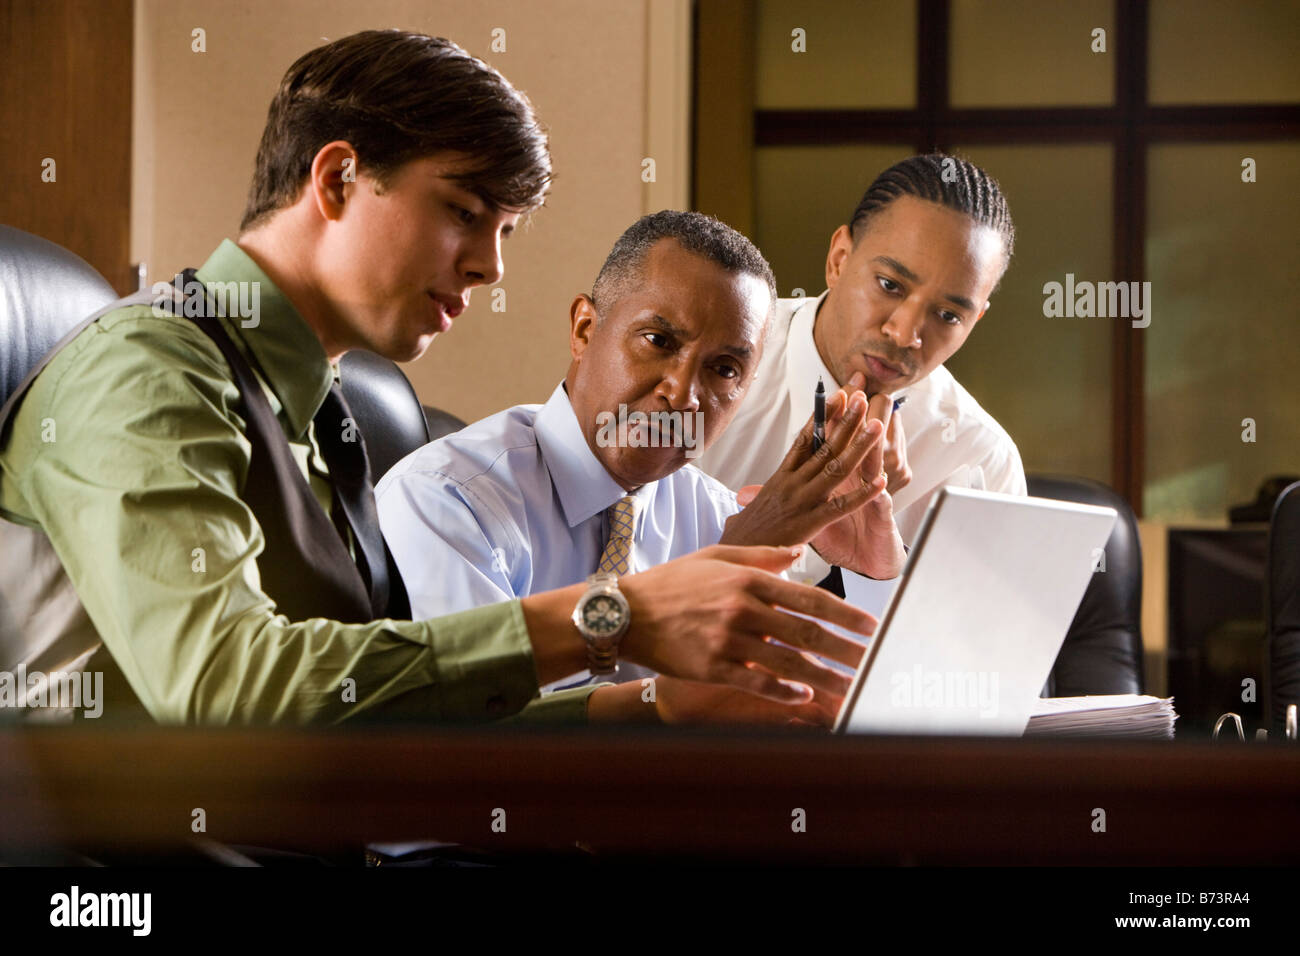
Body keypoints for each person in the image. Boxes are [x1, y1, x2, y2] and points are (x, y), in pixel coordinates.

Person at [0, 30, 874, 726]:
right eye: (464, 212)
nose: (491, 267)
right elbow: (226, 690)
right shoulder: (147, 370)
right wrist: (614, 617)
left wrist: (656, 707)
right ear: (339, 178)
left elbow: (396, 727)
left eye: (505, 231)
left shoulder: (329, 412)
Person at [375, 210, 904, 714]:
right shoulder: (448, 496)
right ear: (584, 328)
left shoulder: (719, 515)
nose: (683, 394)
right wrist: (726, 567)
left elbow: (825, 710)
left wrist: (869, 574)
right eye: (658, 340)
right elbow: (479, 728)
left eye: (724, 369)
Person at [695, 154, 1027, 594]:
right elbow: (626, 579)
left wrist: (884, 571)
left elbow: (976, 654)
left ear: (975, 321)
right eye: (890, 285)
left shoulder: (979, 459)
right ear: (838, 259)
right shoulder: (701, 370)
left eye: (948, 315)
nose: (905, 333)